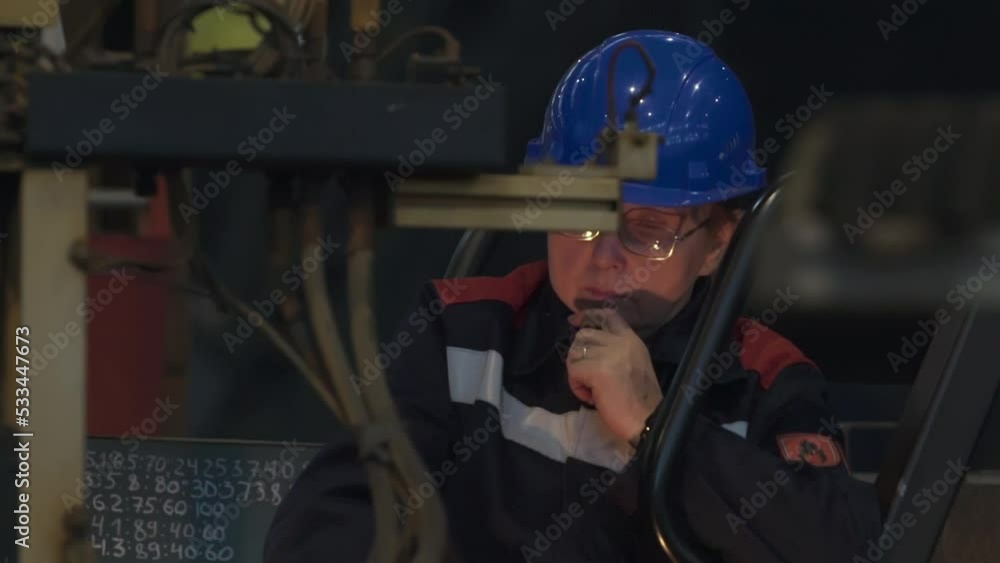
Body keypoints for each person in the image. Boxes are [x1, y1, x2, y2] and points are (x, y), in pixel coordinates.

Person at [264, 30, 882, 563]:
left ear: (718, 243)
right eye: (577, 216)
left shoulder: (761, 382)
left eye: (647, 232)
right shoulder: (462, 336)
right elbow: (324, 525)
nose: (602, 257)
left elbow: (842, 548)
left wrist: (655, 426)